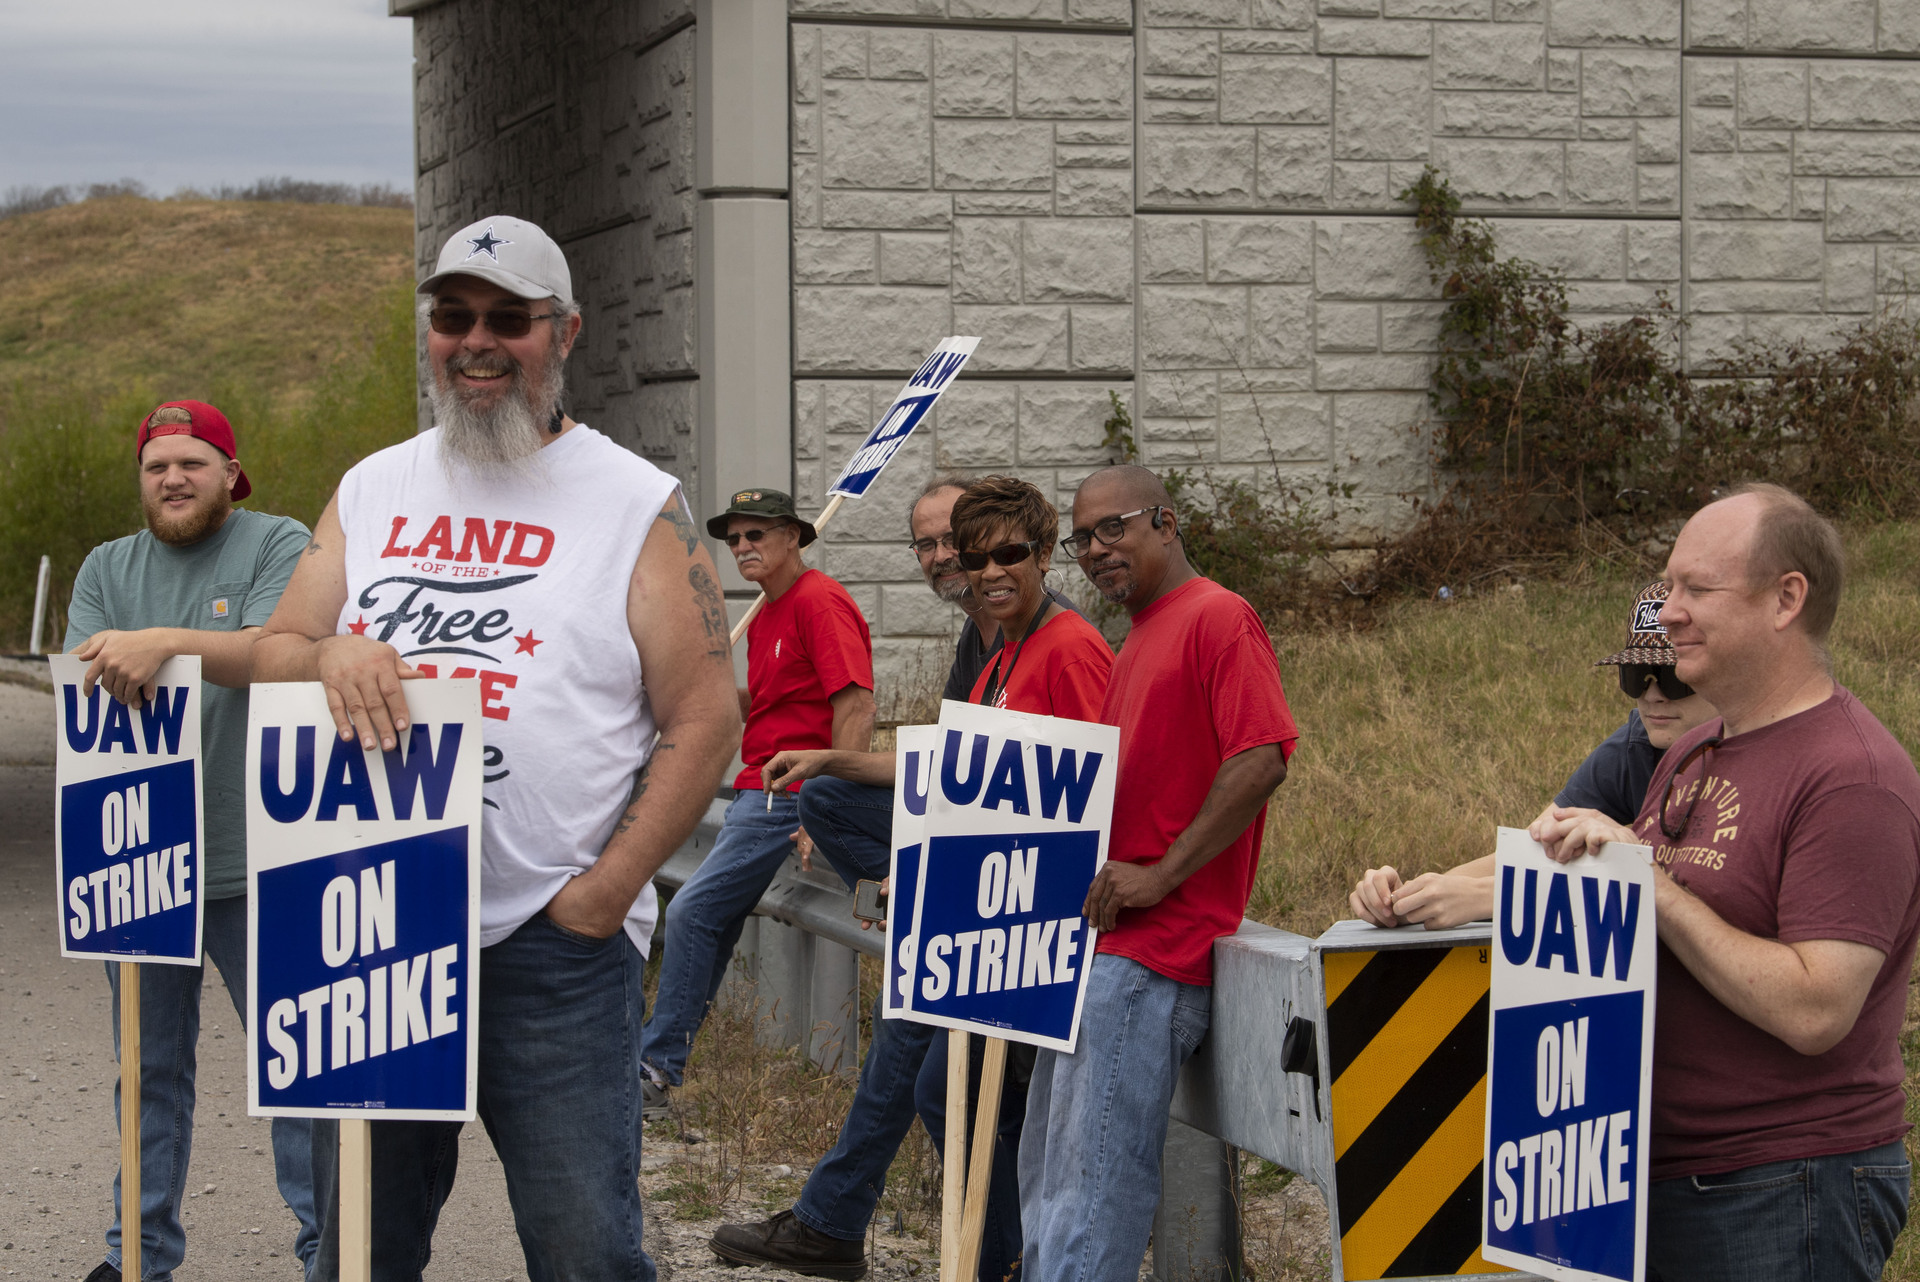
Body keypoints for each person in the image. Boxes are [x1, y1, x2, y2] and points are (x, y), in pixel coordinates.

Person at [253, 214, 741, 1282]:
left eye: (507, 319)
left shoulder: (636, 503)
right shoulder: (373, 486)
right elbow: (280, 644)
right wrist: (331, 653)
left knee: (585, 1255)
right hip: (377, 923)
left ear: (565, 332)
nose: (476, 341)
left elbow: (708, 716)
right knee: (360, 1254)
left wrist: (607, 893)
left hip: (551, 947)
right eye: (453, 316)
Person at [709, 475, 1105, 1281]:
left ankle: (964, 1253)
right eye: (962, 552)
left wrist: (960, 883)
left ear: (1042, 553)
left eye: (1007, 554)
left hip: (1027, 914)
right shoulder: (995, 647)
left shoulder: (1068, 646)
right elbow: (959, 774)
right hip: (976, 895)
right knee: (937, 1080)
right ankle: (958, 1252)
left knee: (943, 1080)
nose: (981, 568)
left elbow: (1096, 788)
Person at [1533, 484, 1920, 1282]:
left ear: (1787, 599)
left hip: (1784, 1187)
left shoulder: (1853, 775)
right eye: (1668, 586)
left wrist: (1653, 887)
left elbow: (1816, 1009)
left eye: (1695, 589)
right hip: (1660, 1177)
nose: (1667, 611)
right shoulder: (1694, 750)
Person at [1020, 464, 1296, 1282]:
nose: (1097, 550)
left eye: (1116, 528)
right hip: (1099, 953)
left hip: (1153, 958)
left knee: (1093, 1193)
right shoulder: (1137, 636)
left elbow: (1261, 759)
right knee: (1050, 1182)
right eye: (1082, 539)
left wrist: (1161, 876)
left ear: (1166, 523)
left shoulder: (1219, 617)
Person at [65, 400, 317, 1282]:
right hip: (141, 862)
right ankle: (136, 1257)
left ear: (230, 473)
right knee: (148, 1074)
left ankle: (325, 1251)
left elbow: (278, 651)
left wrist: (165, 642)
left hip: (264, 858)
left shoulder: (277, 543)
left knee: (297, 1068)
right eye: (156, 465)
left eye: (193, 462)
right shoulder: (104, 567)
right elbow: (88, 682)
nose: (173, 478)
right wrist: (189, 650)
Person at [640, 488, 875, 1106]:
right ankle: (662, 1066)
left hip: (789, 794)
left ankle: (654, 1069)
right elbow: (775, 704)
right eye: (734, 539)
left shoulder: (818, 601)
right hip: (755, 791)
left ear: (793, 536)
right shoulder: (769, 611)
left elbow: (855, 703)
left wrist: (833, 803)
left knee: (691, 912)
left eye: (757, 535)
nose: (743, 547)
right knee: (707, 921)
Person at [1348, 580, 1718, 930]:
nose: (1652, 695)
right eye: (1636, 676)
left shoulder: (1757, 758)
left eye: (1672, 676)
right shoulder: (1635, 746)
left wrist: (1497, 896)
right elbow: (1534, 850)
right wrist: (1407, 897)